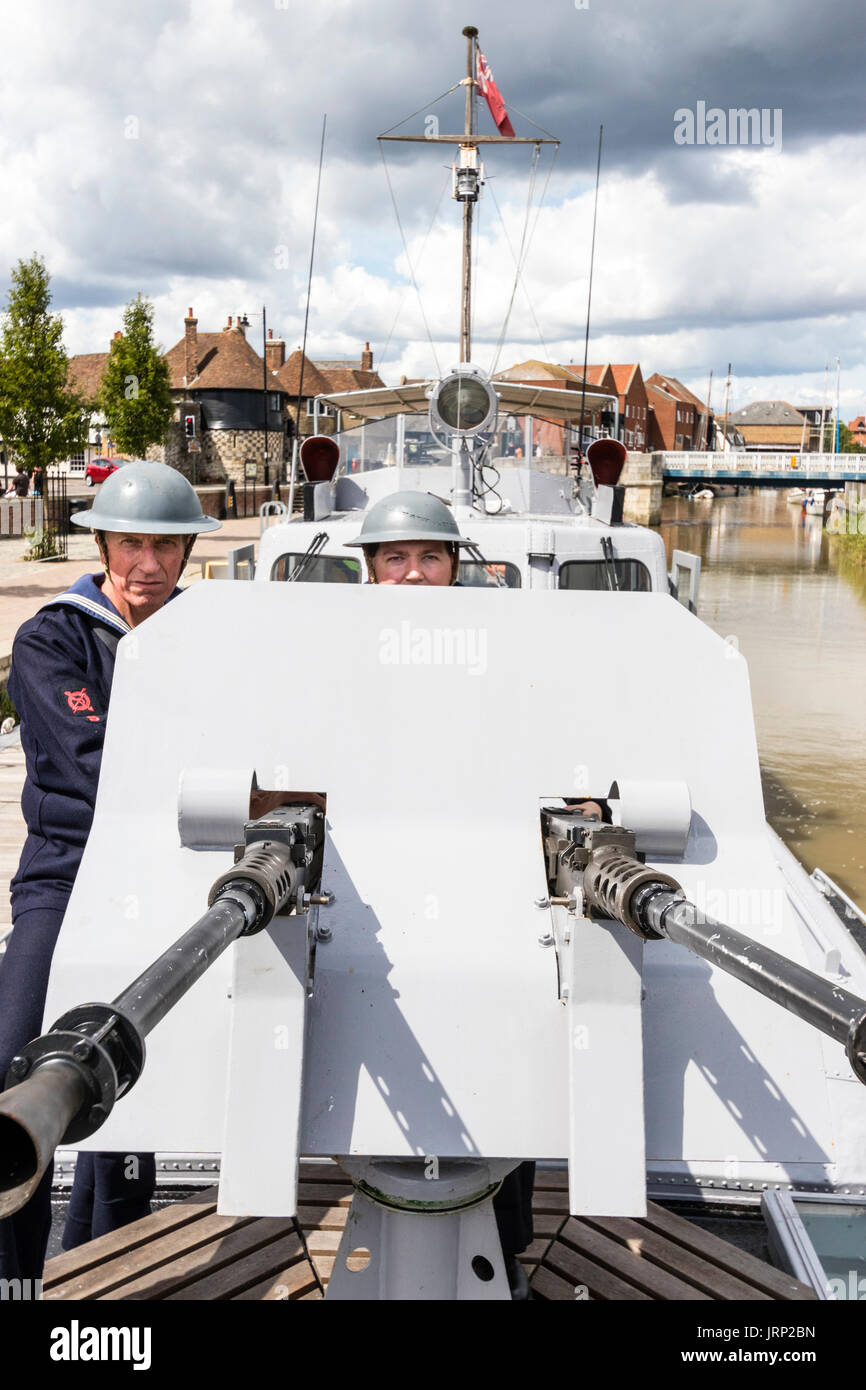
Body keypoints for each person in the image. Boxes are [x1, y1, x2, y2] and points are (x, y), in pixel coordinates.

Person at [0, 460, 220, 1286]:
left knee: (138, 1089)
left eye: (166, 546)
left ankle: (104, 1263)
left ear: (188, 553)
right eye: (132, 543)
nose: (149, 566)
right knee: (14, 1061)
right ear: (102, 544)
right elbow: (94, 766)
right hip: (71, 878)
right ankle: (14, 1275)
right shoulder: (52, 638)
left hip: (175, 880)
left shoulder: (208, 638)